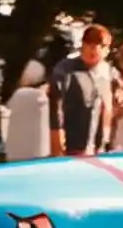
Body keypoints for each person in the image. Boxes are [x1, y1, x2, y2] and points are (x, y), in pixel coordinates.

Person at [48, 24, 114, 157]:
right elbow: (56, 105)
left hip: (98, 147)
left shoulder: (108, 73)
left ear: (106, 50)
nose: (94, 49)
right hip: (71, 145)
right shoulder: (66, 70)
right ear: (82, 44)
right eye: (89, 43)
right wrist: (57, 136)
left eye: (100, 45)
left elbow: (109, 107)